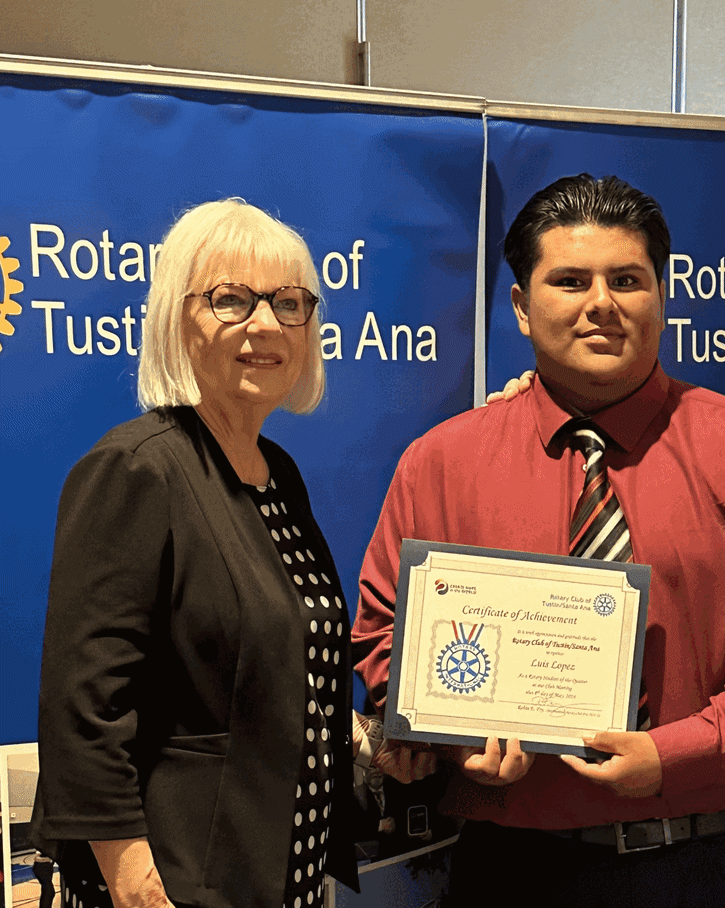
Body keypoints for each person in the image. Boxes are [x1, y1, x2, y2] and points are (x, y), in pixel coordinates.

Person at [351, 174, 725, 907]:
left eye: (627, 280)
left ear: (662, 296)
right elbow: (384, 633)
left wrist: (678, 752)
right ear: (521, 306)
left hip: (719, 862)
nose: (601, 303)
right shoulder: (440, 465)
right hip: (517, 869)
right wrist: (458, 738)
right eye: (570, 281)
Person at [32, 198, 432, 908]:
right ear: (177, 319)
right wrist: (134, 884)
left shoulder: (278, 474)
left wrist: (374, 742)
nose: (266, 325)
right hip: (179, 884)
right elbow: (84, 711)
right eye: (231, 300)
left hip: (286, 876)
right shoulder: (138, 469)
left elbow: (281, 671)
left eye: (288, 303)